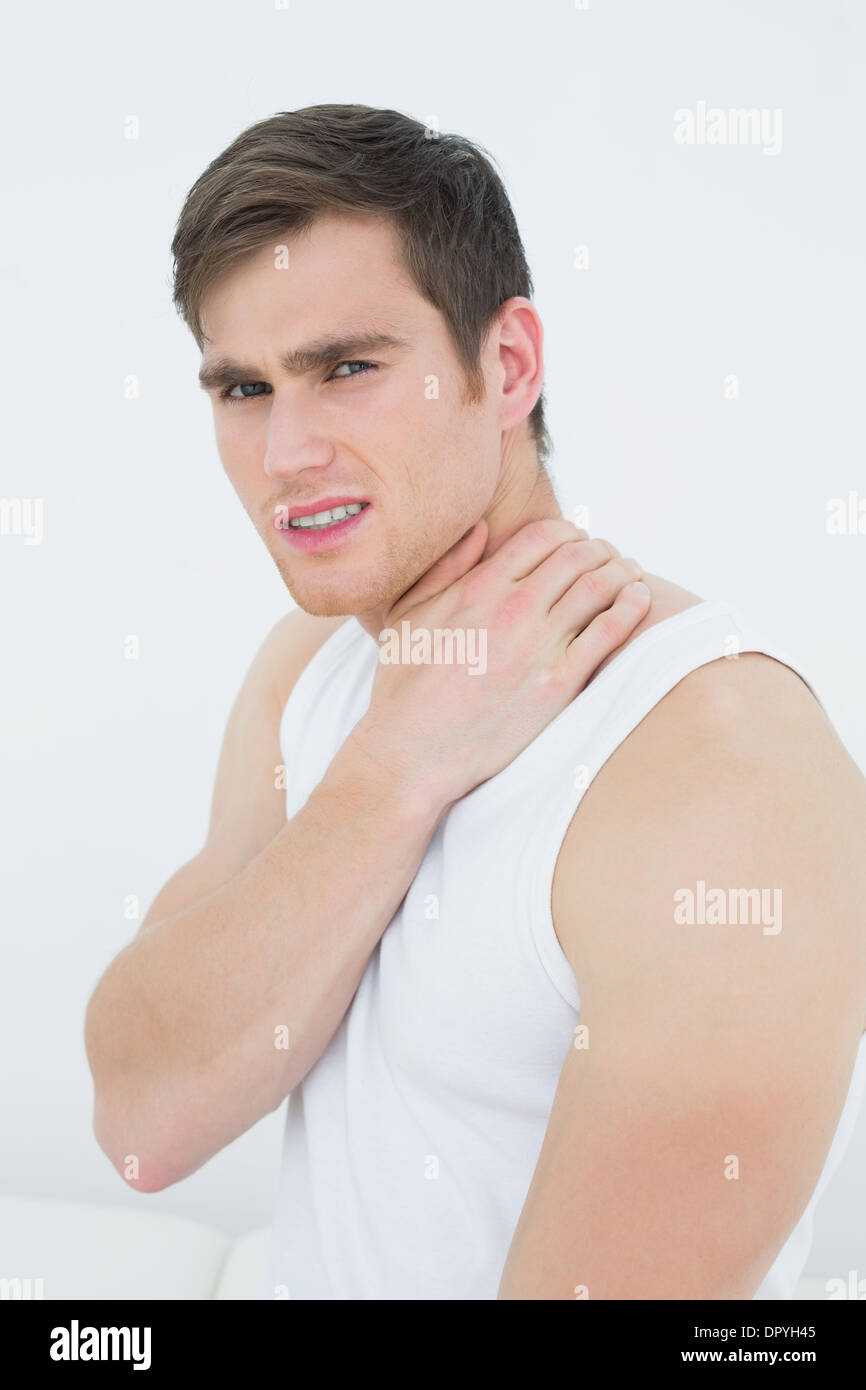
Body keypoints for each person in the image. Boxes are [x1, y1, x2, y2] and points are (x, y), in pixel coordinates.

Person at [84, 105, 866, 1300]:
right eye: (242, 388)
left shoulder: (720, 764)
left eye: (346, 368)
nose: (285, 451)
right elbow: (143, 1117)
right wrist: (395, 765)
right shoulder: (314, 672)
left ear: (504, 367)